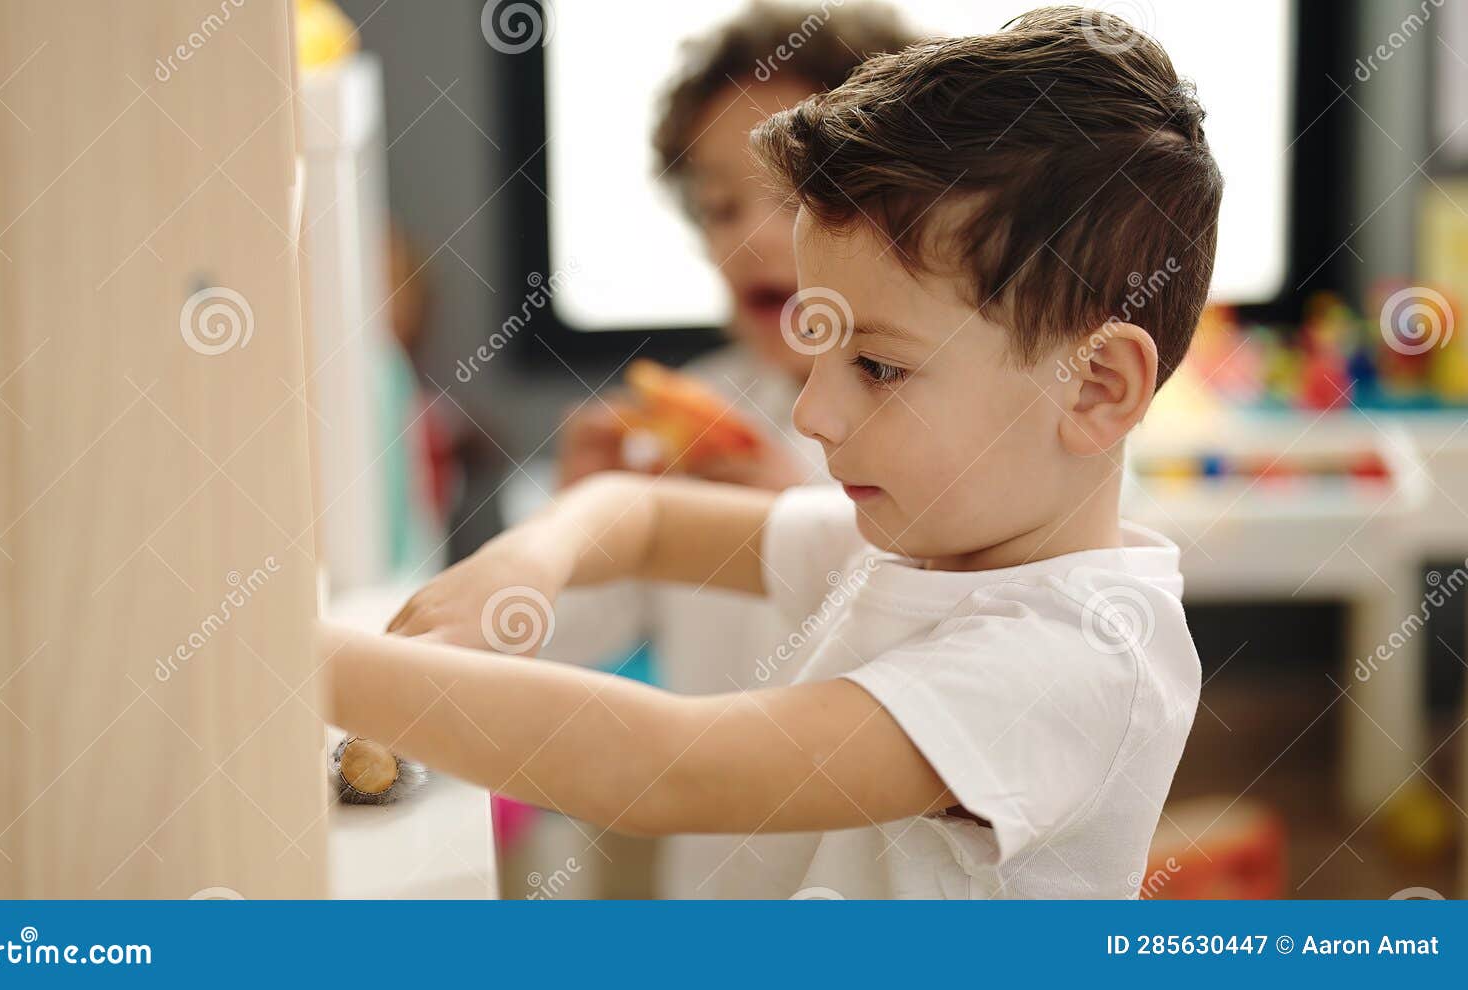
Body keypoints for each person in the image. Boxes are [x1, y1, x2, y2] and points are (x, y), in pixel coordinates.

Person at [326, 6, 1223, 898]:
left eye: (876, 366)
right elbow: (641, 518)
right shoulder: (920, 546)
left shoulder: (1072, 658)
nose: (814, 411)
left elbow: (667, 766)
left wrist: (305, 662)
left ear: (1097, 386)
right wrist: (529, 559)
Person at [537, 1, 918, 898]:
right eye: (717, 203)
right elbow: (561, 662)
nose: (747, 239)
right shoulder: (697, 415)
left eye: (795, 199)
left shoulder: (956, 422)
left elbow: (970, 669)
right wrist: (578, 530)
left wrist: (806, 517)